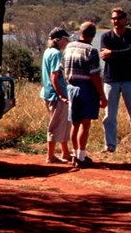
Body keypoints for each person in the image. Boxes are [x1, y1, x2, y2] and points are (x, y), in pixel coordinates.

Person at [100, 7, 131, 152]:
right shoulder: (106, 37)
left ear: (125, 20)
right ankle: (110, 146)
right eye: (113, 18)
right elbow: (103, 55)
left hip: (129, 79)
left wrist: (112, 53)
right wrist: (121, 54)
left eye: (119, 18)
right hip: (110, 79)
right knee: (109, 116)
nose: (116, 21)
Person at [63, 21, 107, 168]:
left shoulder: (69, 47)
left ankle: (75, 154)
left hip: (71, 87)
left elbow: (62, 69)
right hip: (86, 88)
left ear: (79, 32)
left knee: (75, 123)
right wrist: (102, 95)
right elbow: (94, 75)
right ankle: (81, 156)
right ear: (93, 35)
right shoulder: (91, 51)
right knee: (85, 124)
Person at [40, 27, 72, 164]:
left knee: (63, 123)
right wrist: (61, 95)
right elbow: (54, 76)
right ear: (58, 40)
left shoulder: (48, 51)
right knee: (55, 125)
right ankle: (50, 156)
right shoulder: (57, 54)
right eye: (65, 39)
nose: (66, 42)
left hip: (47, 93)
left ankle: (65, 152)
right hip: (55, 95)